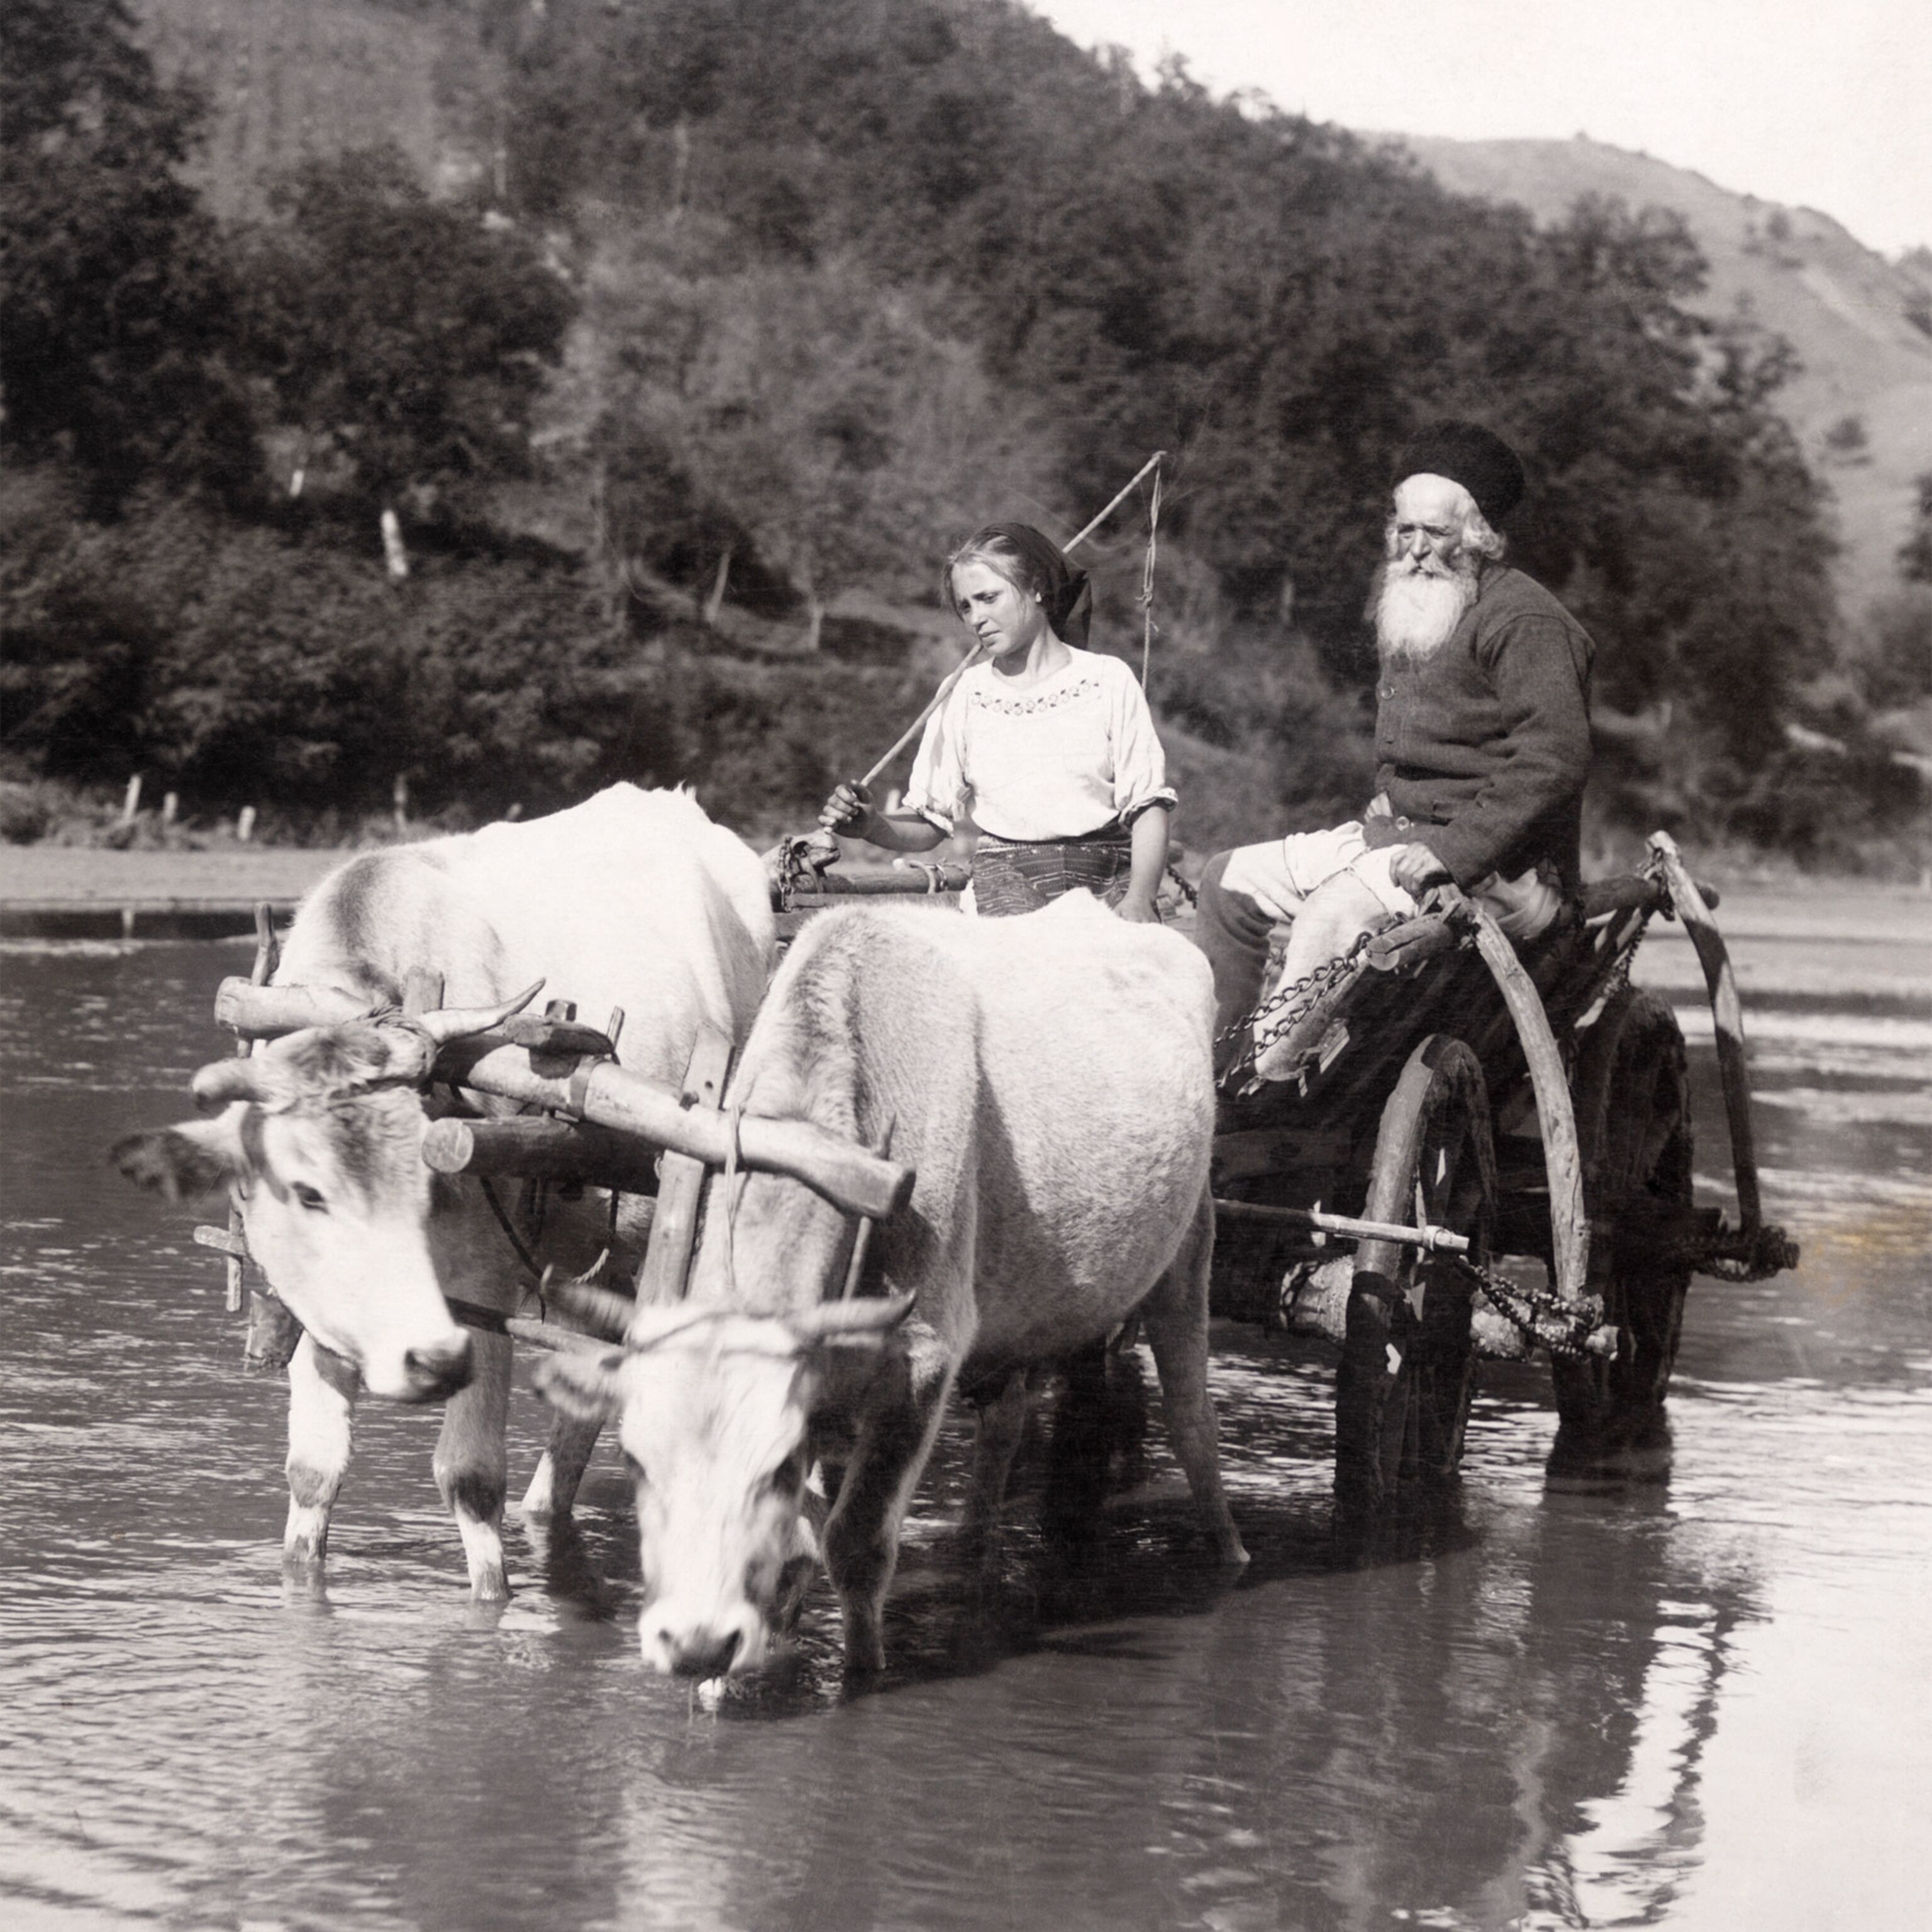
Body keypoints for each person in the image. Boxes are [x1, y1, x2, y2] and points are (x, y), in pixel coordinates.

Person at [1196, 421, 1594, 1077]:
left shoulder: (1525, 621)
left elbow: (1554, 760)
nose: (1416, 550)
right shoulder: (1419, 605)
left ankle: (1268, 1086)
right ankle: (1216, 1070)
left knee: (1330, 913)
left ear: (1479, 535)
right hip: (1400, 847)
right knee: (1227, 880)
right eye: (1405, 530)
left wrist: (1454, 850)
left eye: (1435, 532)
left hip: (1504, 871)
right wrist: (1392, 806)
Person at [819, 523, 1176, 921]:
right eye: (966, 607)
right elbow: (930, 822)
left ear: (1036, 587)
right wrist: (871, 826)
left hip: (1108, 876)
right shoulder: (964, 693)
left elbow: (1148, 806)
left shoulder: (1107, 679)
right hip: (1008, 881)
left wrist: (1140, 898)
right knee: (1020, 954)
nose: (977, 618)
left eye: (988, 598)